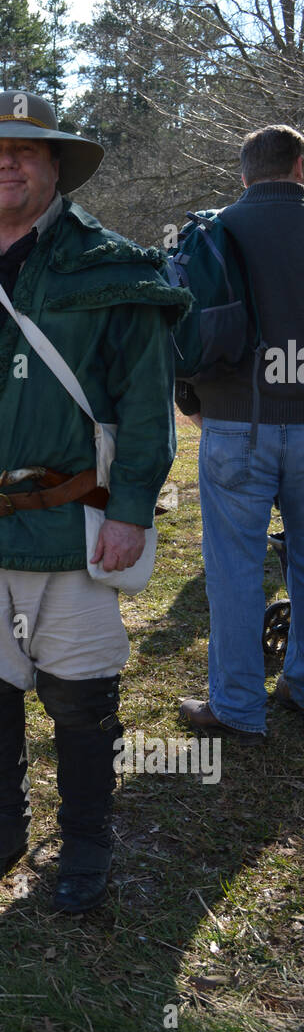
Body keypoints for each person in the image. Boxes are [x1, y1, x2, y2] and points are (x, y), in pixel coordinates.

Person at [0, 89, 188, 912]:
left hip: (72, 521)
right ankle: (5, 822)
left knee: (81, 690)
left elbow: (146, 401)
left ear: (56, 166)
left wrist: (130, 509)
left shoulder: (113, 266)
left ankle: (87, 837)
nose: (7, 164)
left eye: (26, 151)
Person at [178, 124, 304, 741]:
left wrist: (189, 398)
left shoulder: (212, 231)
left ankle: (235, 706)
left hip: (235, 419)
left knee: (233, 567)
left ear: (245, 173)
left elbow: (178, 323)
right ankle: (302, 684)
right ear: (301, 167)